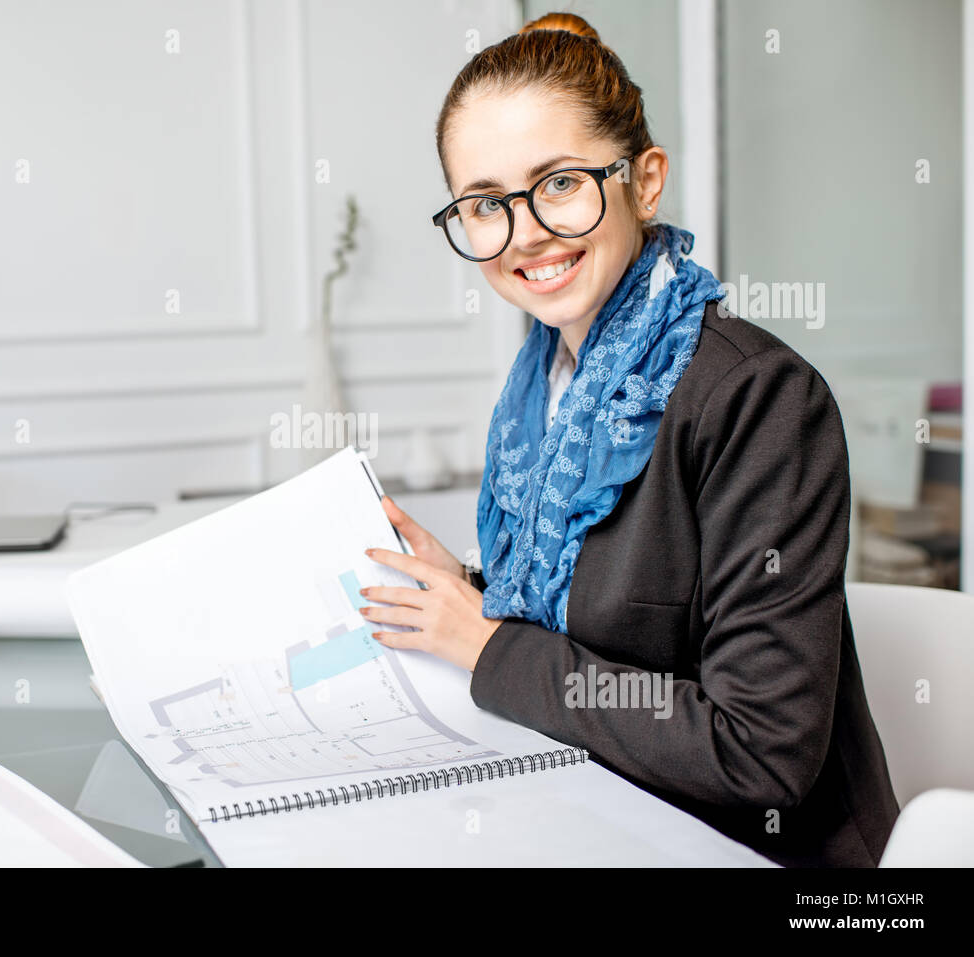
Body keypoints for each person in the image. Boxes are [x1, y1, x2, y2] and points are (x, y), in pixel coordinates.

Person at [358, 12, 899, 867]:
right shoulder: (543, 387)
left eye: (561, 182)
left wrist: (486, 642)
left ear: (644, 183)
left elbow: (758, 750)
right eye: (487, 203)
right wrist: (462, 592)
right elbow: (610, 621)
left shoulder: (759, 398)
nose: (525, 231)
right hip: (591, 820)